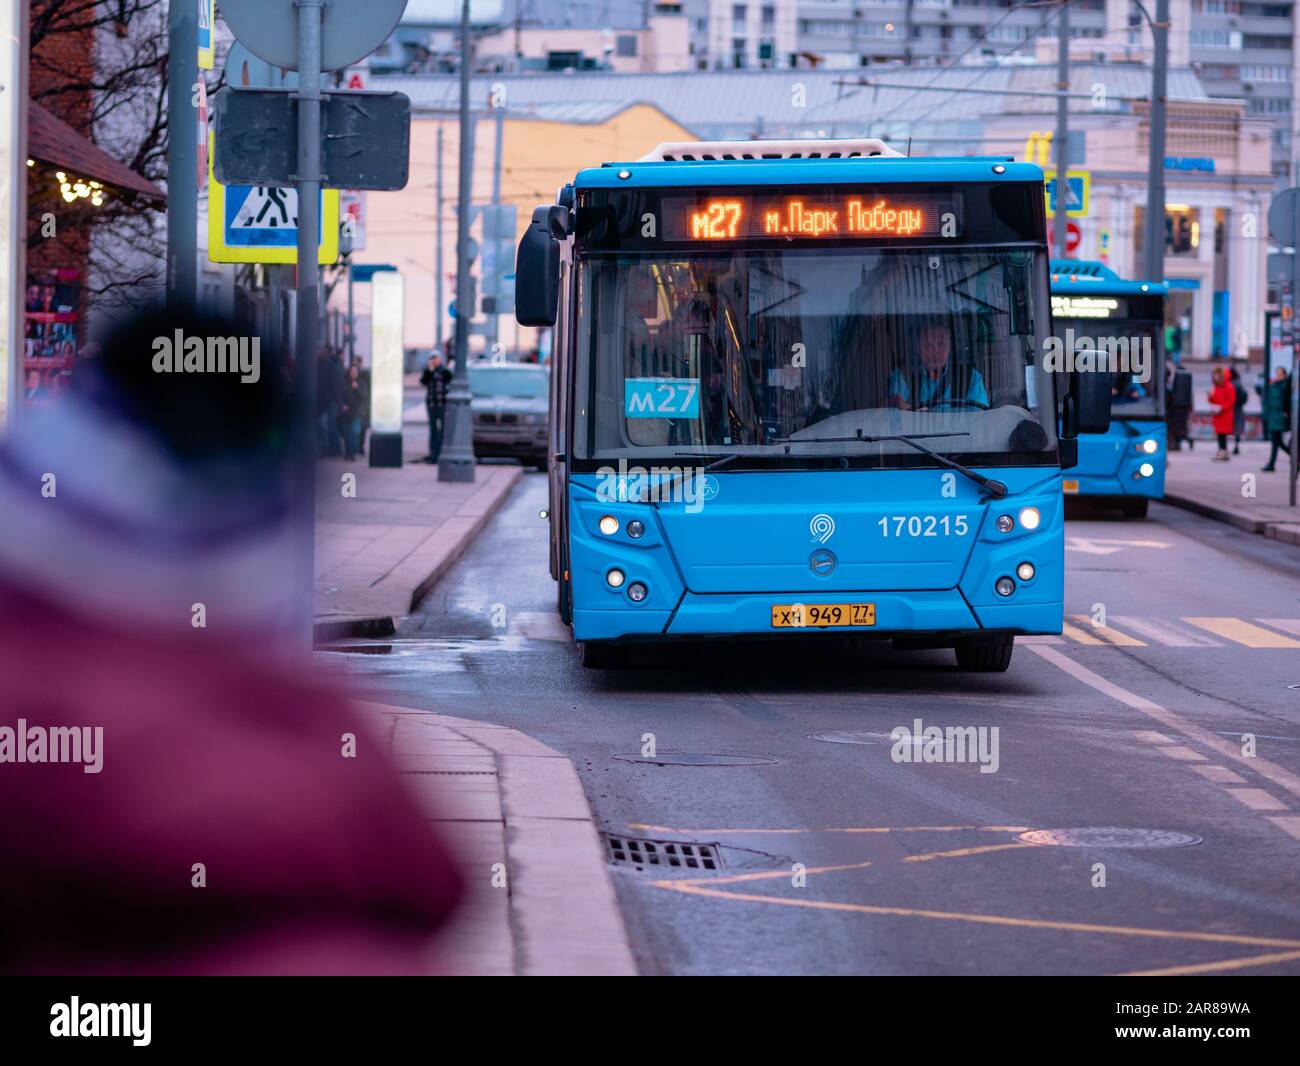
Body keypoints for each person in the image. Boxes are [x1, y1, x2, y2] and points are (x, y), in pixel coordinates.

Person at [888, 320, 988, 411]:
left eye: (941, 344)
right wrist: (902, 405)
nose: (935, 352)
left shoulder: (971, 378)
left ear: (949, 346)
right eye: (928, 345)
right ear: (918, 348)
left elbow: (978, 417)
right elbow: (896, 400)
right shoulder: (902, 376)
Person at [419, 352, 452, 464]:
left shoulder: (445, 371)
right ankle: (433, 454)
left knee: (442, 430)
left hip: (442, 404)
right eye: (432, 359)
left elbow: (450, 380)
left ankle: (440, 452)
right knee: (433, 429)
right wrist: (430, 370)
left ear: (440, 359)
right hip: (431, 404)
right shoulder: (428, 371)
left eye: (436, 358)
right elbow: (423, 381)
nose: (434, 361)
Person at [1259, 366, 1292, 472]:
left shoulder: (1286, 386)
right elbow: (1267, 401)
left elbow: (1286, 402)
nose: (1278, 375)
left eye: (1280, 373)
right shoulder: (1272, 386)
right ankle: (1293, 457)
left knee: (1276, 441)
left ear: (1284, 375)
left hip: (1281, 416)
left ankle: (1272, 463)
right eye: (1276, 373)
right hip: (1273, 416)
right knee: (1277, 441)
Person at [315, 347, 344, 456]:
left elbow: (324, 384)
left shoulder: (326, 365)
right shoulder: (335, 365)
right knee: (329, 424)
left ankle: (332, 448)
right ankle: (334, 448)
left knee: (327, 424)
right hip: (332, 400)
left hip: (328, 400)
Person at [1208, 365, 1236, 461]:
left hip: (1225, 414)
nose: (1215, 377)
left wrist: (1222, 408)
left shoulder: (1228, 386)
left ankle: (1223, 451)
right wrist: (1210, 397)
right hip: (1218, 414)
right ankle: (1221, 450)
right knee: (1219, 433)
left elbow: (1231, 400)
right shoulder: (1216, 387)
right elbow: (1213, 400)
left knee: (1223, 434)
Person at [339, 364, 365, 460]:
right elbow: (340, 396)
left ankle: (353, 452)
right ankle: (348, 453)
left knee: (355, 433)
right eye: (352, 371)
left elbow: (363, 396)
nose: (353, 373)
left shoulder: (361, 383)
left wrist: (356, 388)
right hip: (346, 412)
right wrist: (342, 405)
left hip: (356, 412)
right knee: (347, 434)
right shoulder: (344, 383)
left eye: (355, 371)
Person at [1167, 363, 1193, 451]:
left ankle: (1177, 444)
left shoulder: (1174, 384)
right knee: (1180, 428)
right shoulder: (1185, 382)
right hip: (1182, 409)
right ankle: (1177, 443)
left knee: (1177, 428)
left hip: (1176, 410)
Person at [1228, 364, 1248, 454]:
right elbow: (1244, 395)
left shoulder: (1230, 384)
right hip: (1239, 408)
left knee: (1230, 427)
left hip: (1231, 408)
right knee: (1237, 427)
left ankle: (1225, 447)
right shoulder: (1239, 382)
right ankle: (1236, 446)